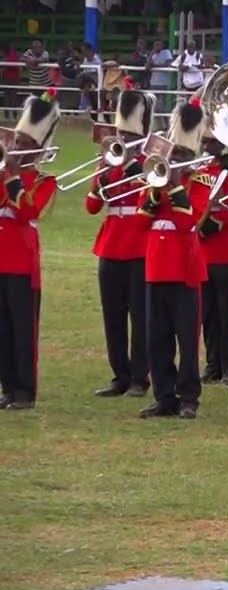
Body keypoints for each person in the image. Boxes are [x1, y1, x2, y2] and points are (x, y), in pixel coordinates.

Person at [138, 99, 206, 419]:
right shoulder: (153, 178)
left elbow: (188, 223)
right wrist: (156, 190)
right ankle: (164, 395)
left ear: (192, 156)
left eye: (182, 154)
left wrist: (176, 186)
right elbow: (140, 221)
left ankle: (188, 395)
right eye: (173, 152)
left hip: (184, 268)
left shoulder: (202, 183)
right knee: (157, 337)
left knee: (187, 338)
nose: (175, 159)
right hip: (155, 266)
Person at [88, 82, 154, 399]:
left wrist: (128, 165)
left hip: (139, 245)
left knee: (140, 316)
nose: (123, 139)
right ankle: (120, 374)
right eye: (121, 133)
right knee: (112, 315)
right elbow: (91, 206)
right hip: (111, 244)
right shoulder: (107, 163)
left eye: (129, 135)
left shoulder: (148, 165)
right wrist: (104, 174)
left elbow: (148, 199)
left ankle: (141, 377)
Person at [0, 89, 59, 411]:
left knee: (23, 330)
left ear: (37, 150)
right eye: (16, 141)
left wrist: (12, 178)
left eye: (24, 144)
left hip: (22, 263)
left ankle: (25, 391)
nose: (16, 147)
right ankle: (8, 387)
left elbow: (27, 212)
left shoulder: (43, 180)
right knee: (3, 330)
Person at [189, 116, 228, 387]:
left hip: (226, 251)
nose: (207, 145)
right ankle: (213, 364)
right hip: (202, 252)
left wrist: (201, 229)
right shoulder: (197, 167)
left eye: (212, 141)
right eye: (205, 140)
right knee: (207, 312)